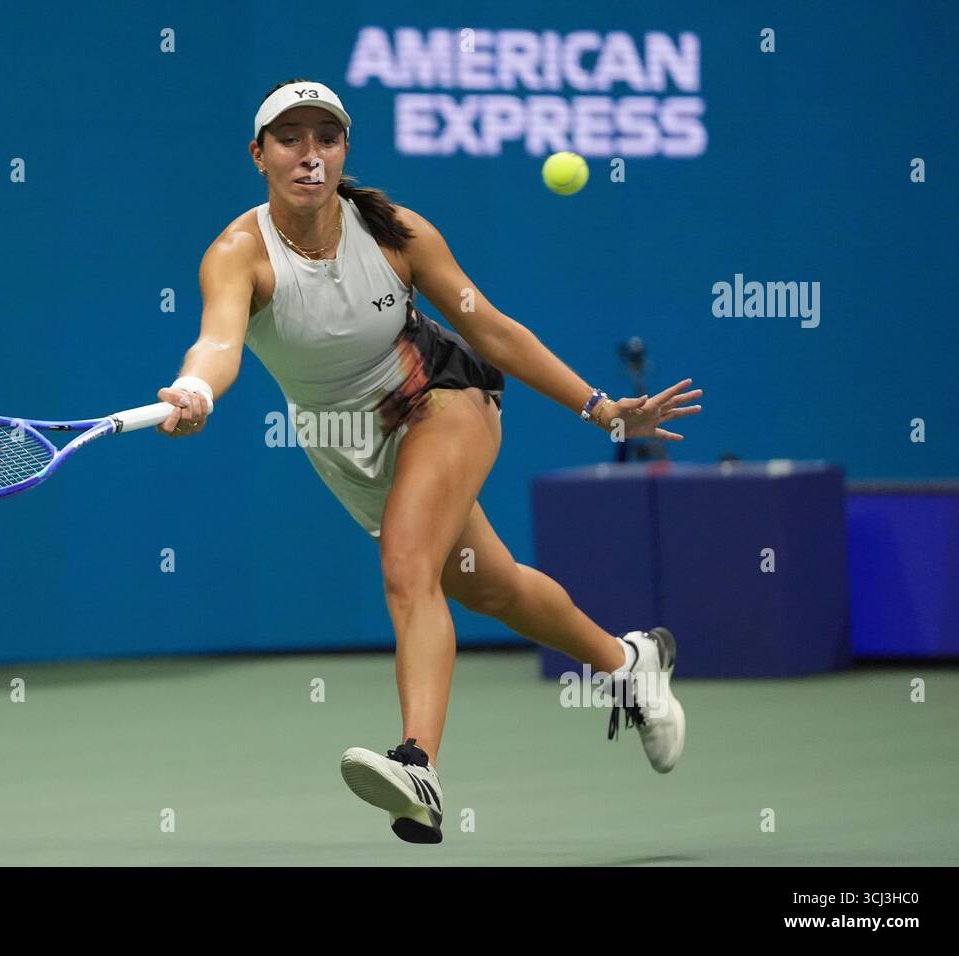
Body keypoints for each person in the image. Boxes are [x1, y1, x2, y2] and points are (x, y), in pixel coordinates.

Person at [156, 79, 703, 844]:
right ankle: (630, 661)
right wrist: (193, 392)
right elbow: (218, 346)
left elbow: (495, 334)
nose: (310, 155)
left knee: (409, 569)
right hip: (348, 446)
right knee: (493, 587)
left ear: (345, 150)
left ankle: (418, 766)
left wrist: (602, 407)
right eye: (290, 140)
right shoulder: (238, 254)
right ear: (259, 155)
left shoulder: (398, 234)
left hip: (442, 395)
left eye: (326, 138)